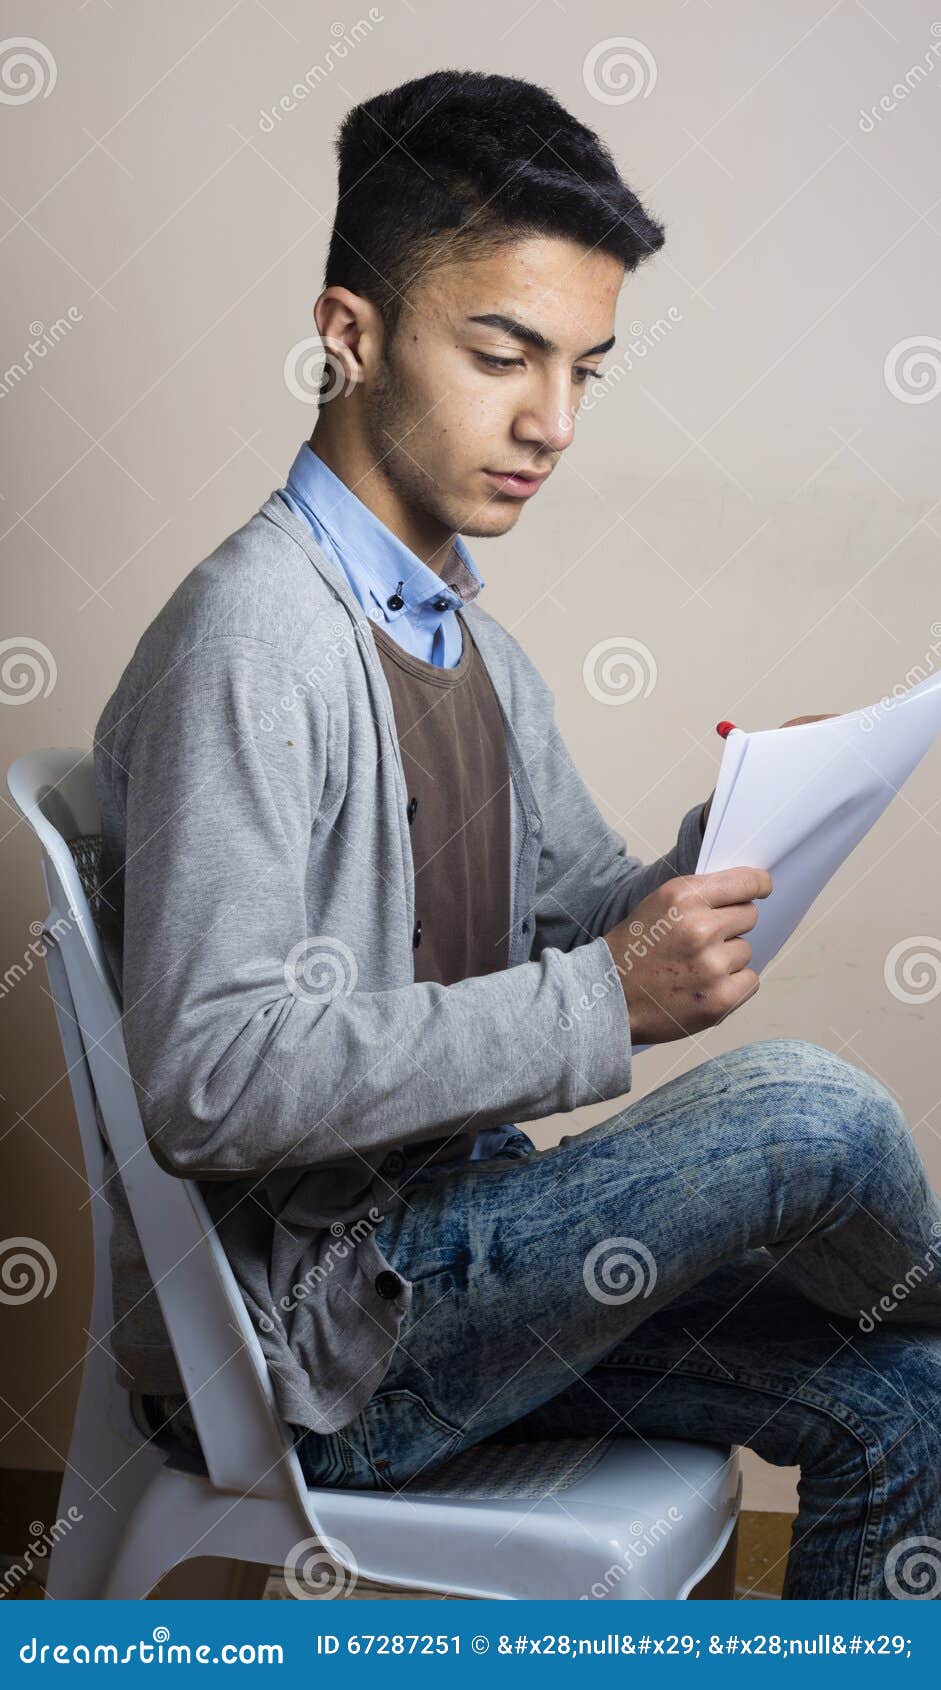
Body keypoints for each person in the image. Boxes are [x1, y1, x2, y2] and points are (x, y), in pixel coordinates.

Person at [94, 69, 941, 1601]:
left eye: (585, 371)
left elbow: (587, 908)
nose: (549, 422)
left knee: (910, 1404)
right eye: (503, 354)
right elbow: (206, 1078)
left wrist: (754, 829)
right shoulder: (254, 638)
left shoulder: (462, 638)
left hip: (469, 1260)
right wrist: (607, 997)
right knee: (809, 1113)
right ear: (346, 333)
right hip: (338, 1338)